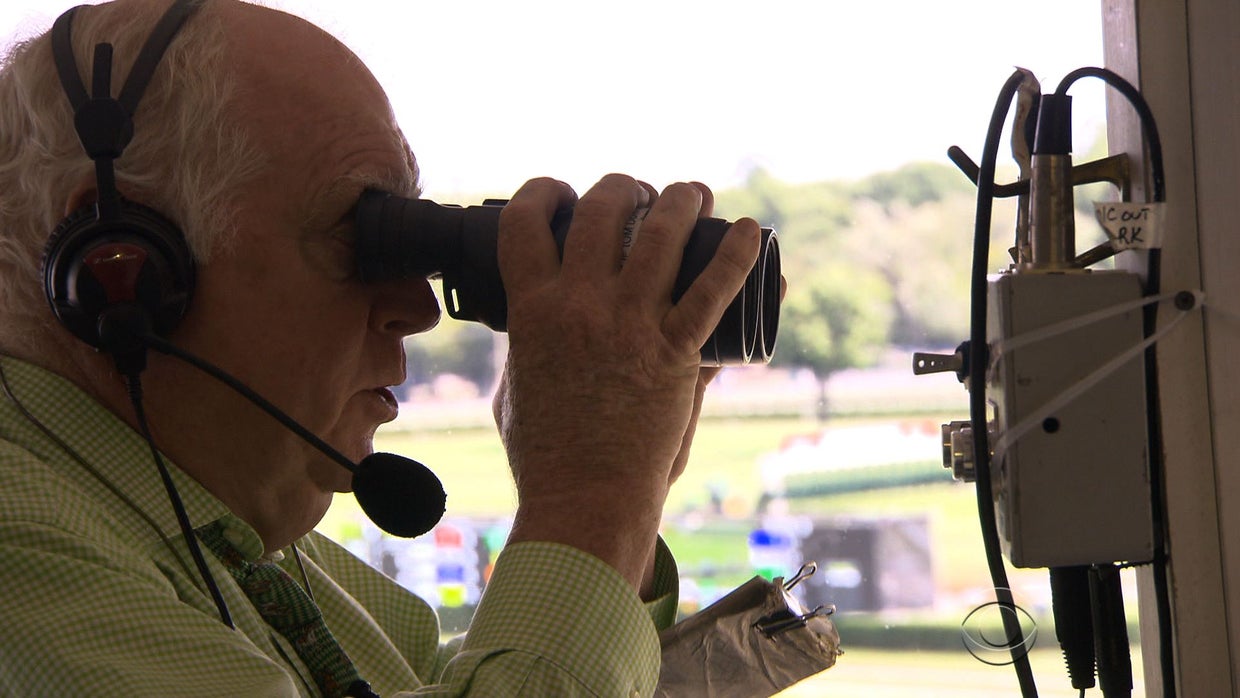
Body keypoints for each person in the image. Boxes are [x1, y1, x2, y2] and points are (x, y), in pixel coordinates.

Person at [0, 1, 763, 696]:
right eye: (356, 236)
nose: (415, 308)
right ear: (120, 272)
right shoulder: (25, 557)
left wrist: (625, 488)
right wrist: (591, 496)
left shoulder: (213, 532)